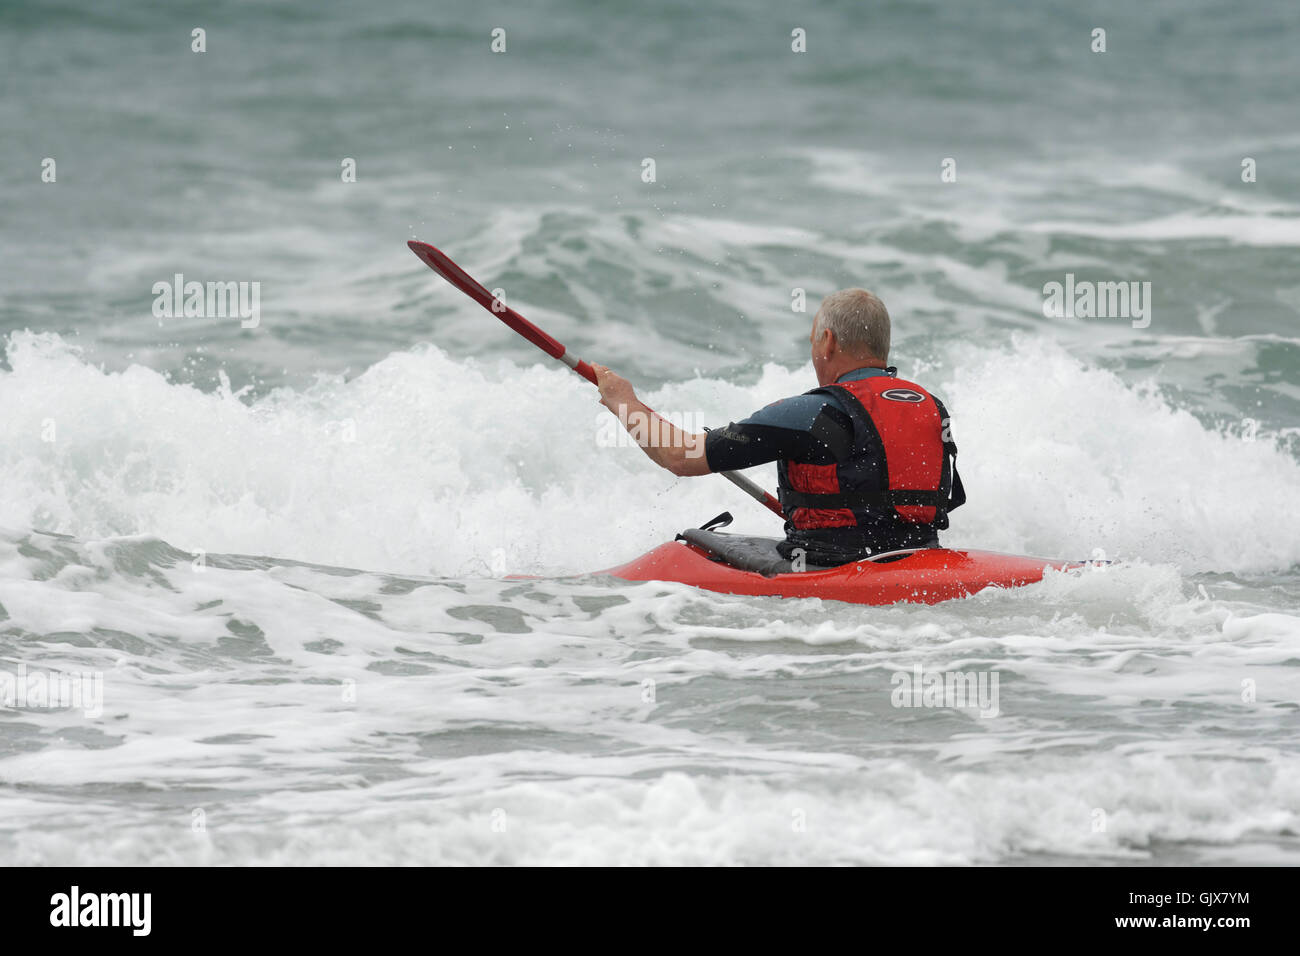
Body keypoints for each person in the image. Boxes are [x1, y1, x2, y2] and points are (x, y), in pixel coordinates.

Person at [592, 288, 964, 566]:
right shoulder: (930, 407)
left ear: (827, 341)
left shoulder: (813, 413)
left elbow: (680, 456)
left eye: (813, 341)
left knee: (683, 550)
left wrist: (622, 401)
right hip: (920, 558)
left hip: (835, 564)